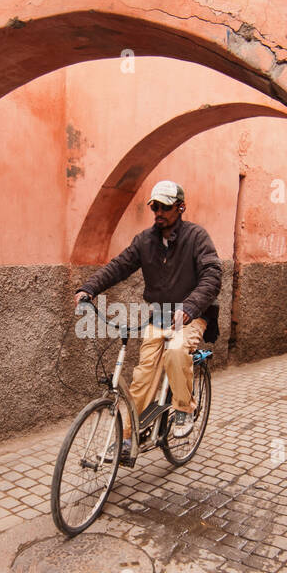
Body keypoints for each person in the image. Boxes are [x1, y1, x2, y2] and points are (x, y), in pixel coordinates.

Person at [74, 180, 222, 461]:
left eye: (165, 206)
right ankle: (128, 438)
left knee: (177, 351)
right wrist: (89, 288)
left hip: (192, 316)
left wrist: (189, 308)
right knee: (142, 378)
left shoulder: (196, 237)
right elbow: (119, 266)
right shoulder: (145, 241)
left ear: (180, 207)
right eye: (155, 206)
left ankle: (183, 408)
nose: (159, 212)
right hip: (160, 316)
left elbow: (212, 275)